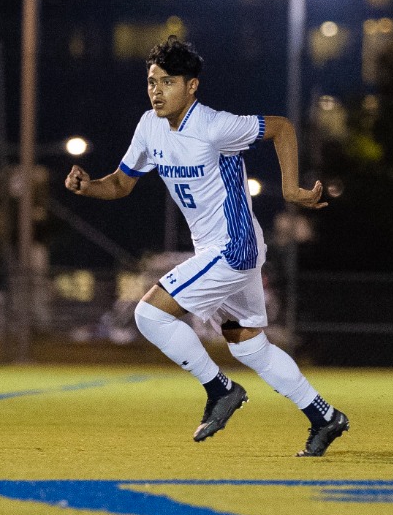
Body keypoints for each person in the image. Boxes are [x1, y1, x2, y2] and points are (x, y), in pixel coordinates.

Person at [65, 35, 349, 455]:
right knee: (250, 344)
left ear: (192, 86)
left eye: (167, 82)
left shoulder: (215, 126)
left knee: (148, 314)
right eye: (151, 82)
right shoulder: (149, 125)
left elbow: (283, 128)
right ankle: (324, 416)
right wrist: (88, 186)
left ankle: (220, 390)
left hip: (233, 248)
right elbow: (122, 183)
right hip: (222, 250)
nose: (156, 91)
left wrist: (290, 189)